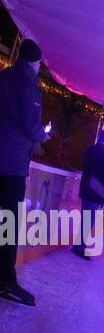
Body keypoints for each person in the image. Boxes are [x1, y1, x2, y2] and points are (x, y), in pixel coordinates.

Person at [0, 38, 47, 306]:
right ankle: (5, 278)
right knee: (7, 224)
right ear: (33, 61)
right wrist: (43, 135)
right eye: (40, 62)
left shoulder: (4, 76)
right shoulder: (29, 84)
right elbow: (31, 126)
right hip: (11, 165)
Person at [72, 129, 104, 259]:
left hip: (86, 188)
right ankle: (79, 247)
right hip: (94, 191)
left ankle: (79, 245)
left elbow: (85, 166)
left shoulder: (90, 150)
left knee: (86, 219)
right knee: (88, 220)